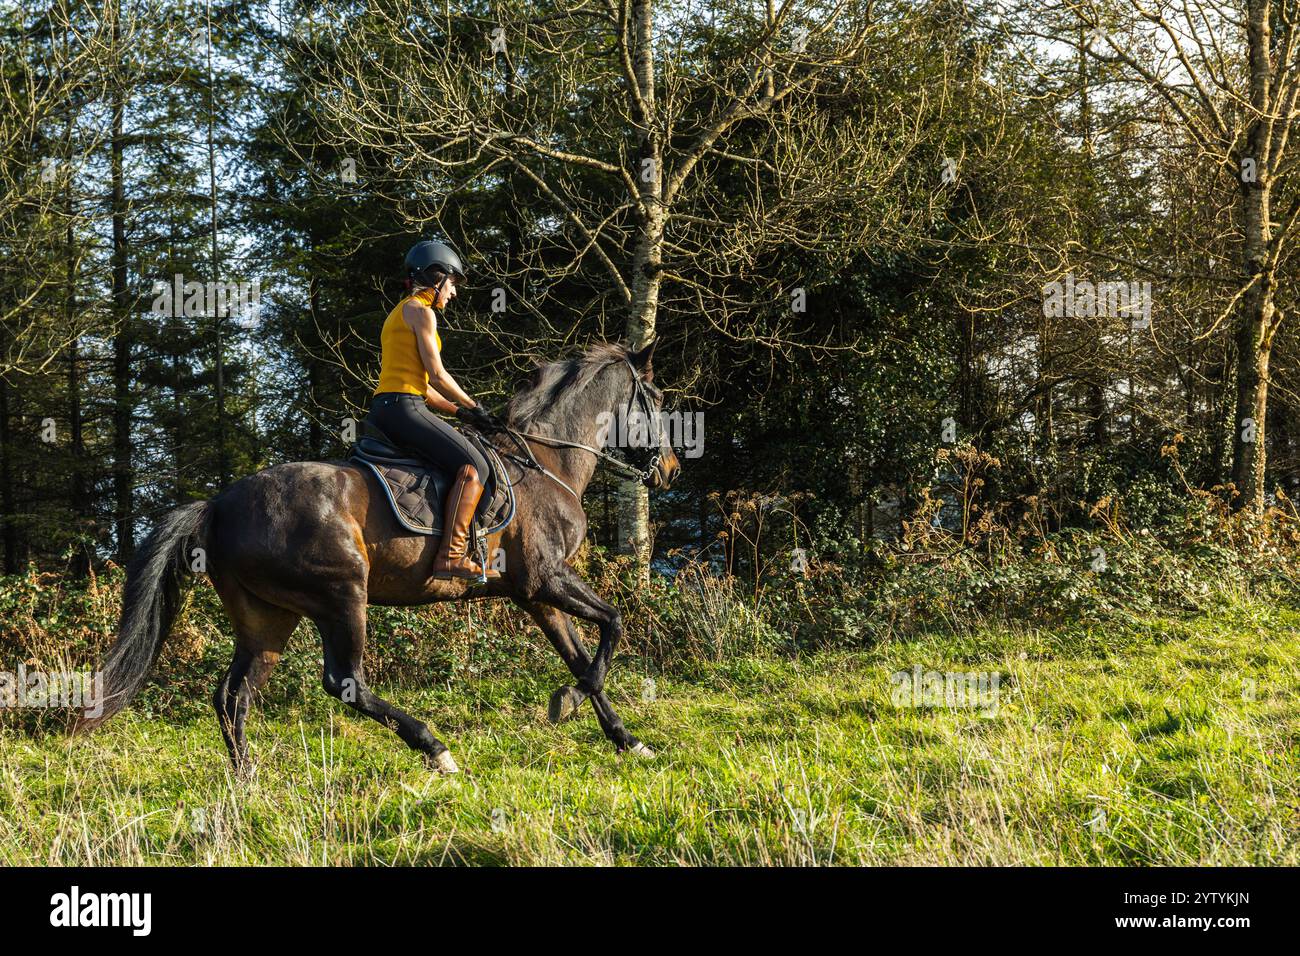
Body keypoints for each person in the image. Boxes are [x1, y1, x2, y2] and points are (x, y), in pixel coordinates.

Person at [366, 239, 504, 581]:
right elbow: (439, 375)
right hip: (403, 407)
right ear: (437, 278)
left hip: (388, 406)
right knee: (475, 466)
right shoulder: (422, 312)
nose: (453, 294)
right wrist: (476, 406)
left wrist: (460, 413)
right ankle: (452, 557)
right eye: (453, 284)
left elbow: (424, 386)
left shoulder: (398, 314)